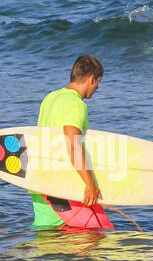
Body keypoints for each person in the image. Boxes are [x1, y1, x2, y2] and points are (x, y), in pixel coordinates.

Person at [30, 54, 110, 229]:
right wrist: (90, 183)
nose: (97, 87)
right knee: (96, 236)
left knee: (47, 236)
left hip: (40, 182)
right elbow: (72, 143)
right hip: (62, 187)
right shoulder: (75, 103)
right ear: (91, 79)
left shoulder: (50, 98)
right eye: (98, 82)